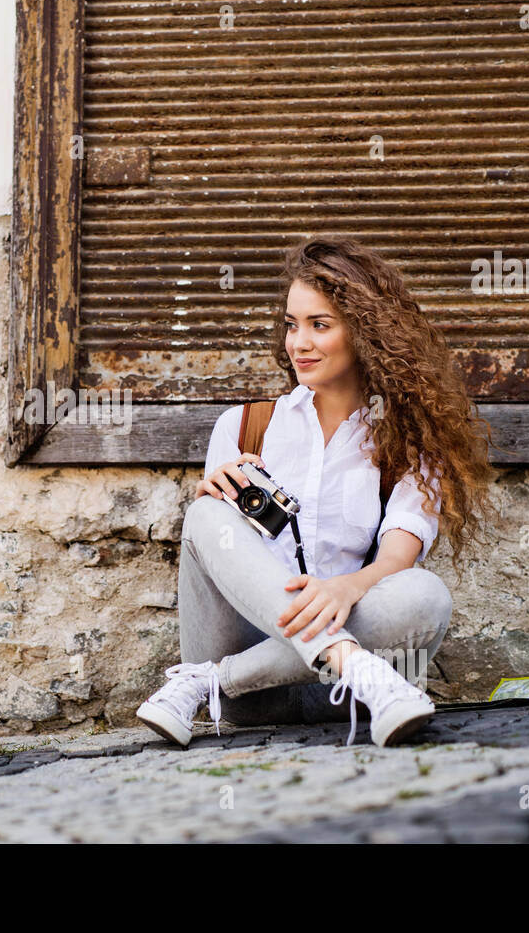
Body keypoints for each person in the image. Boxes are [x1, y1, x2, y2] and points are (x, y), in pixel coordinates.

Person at [137, 235, 497, 748]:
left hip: (327, 690)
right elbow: (218, 561)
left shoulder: (410, 444)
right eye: (292, 324)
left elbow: (398, 556)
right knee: (204, 513)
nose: (298, 343)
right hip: (257, 685)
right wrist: (215, 499)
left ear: (365, 334)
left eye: (319, 325)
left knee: (425, 595)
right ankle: (349, 660)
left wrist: (346, 588)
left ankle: (206, 683)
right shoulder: (243, 427)